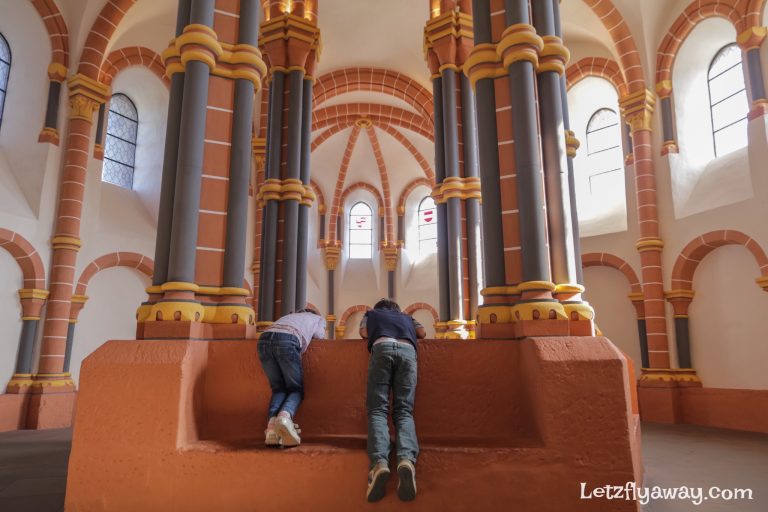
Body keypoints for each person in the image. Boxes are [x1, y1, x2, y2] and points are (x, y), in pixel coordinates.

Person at [359, 299, 426, 502]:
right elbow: (422, 333)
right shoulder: (407, 317)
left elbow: (363, 333)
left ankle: (380, 464)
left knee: (378, 410)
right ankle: (406, 461)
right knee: (404, 411)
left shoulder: (371, 314)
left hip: (382, 348)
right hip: (408, 352)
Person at [258, 307, 326, 447]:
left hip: (264, 340)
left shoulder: (289, 316)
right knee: (295, 389)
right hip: (288, 340)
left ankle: (271, 429)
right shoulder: (317, 318)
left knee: (278, 389)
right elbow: (319, 335)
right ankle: (284, 417)